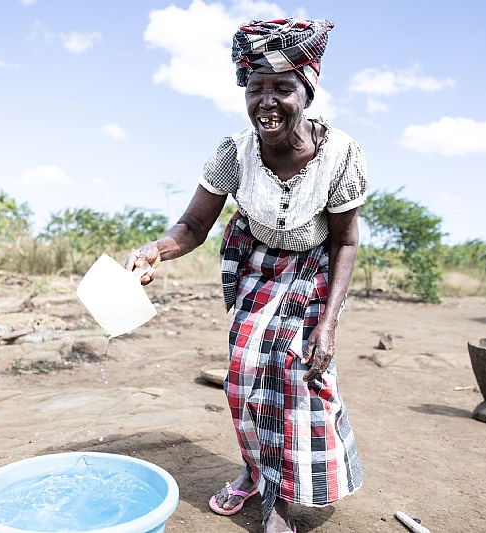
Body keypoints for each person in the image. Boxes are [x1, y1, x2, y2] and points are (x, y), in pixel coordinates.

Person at [126, 18, 365, 533]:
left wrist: (329, 324)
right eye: (256, 88)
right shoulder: (234, 151)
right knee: (244, 382)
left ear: (307, 92)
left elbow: (345, 241)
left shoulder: (340, 154)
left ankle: (283, 498)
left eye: (283, 88)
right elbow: (192, 225)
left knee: (300, 380)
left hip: (313, 272)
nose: (268, 102)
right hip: (256, 268)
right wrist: (155, 251)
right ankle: (257, 473)